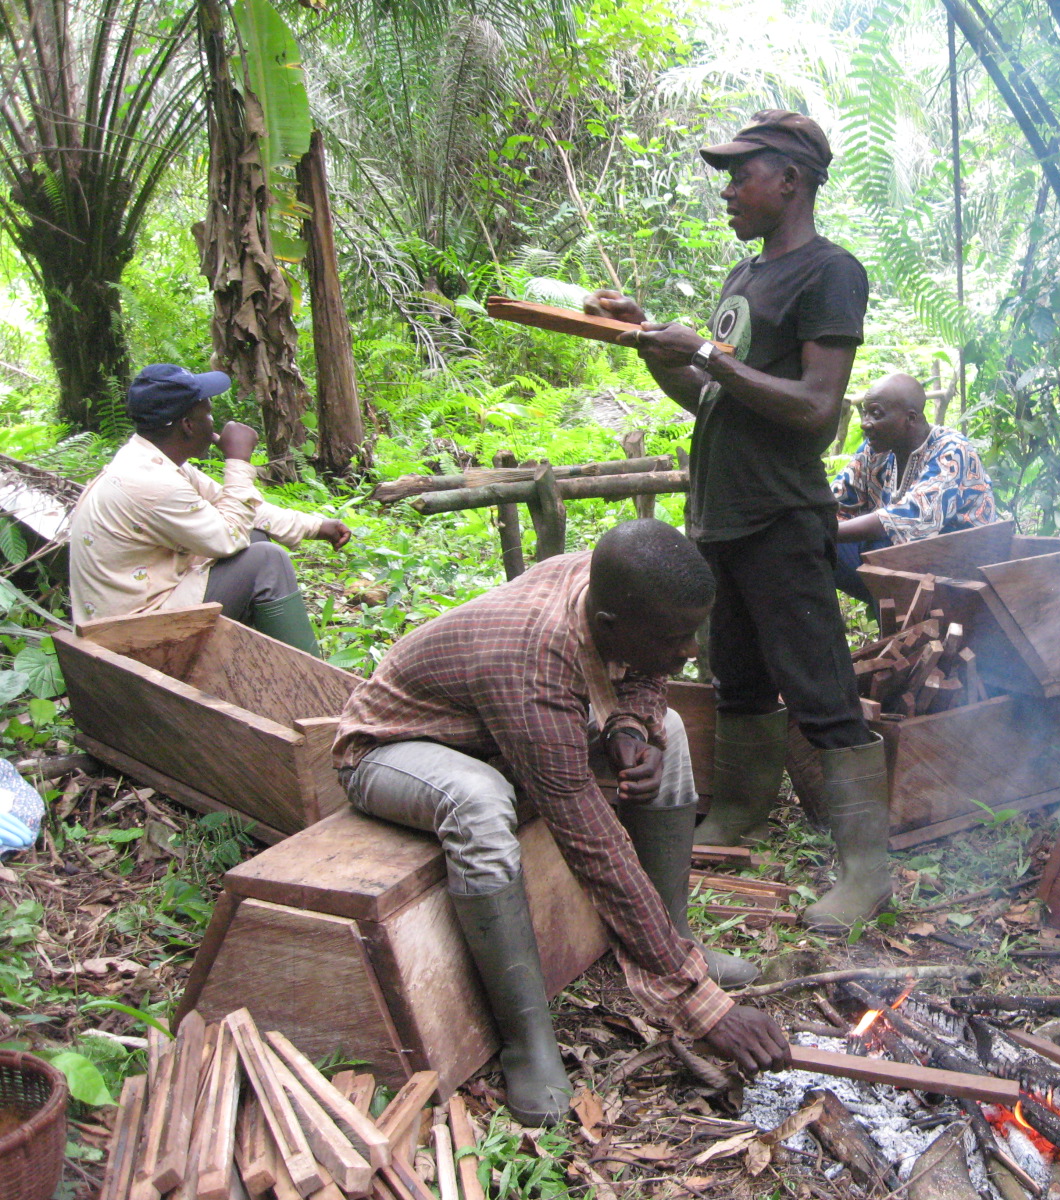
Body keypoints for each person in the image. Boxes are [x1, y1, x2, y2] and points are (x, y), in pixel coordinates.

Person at [333, 520, 787, 1126]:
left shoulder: (613, 588)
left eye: (692, 632)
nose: (691, 651)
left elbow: (645, 667)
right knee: (479, 802)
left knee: (671, 732)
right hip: (392, 749)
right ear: (609, 627)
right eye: (679, 636)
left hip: (495, 733)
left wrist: (631, 729)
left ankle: (678, 937)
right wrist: (703, 1009)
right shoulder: (531, 669)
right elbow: (594, 846)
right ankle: (528, 1037)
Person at [585, 111, 889, 931]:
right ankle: (743, 810)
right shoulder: (742, 279)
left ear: (789, 180)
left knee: (821, 690)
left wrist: (710, 355)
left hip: (783, 517)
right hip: (721, 514)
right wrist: (655, 346)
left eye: (740, 174)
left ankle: (868, 869)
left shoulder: (830, 273)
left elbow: (817, 411)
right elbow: (715, 402)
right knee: (740, 679)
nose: (727, 190)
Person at [68, 363, 350, 656]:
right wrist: (238, 461)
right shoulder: (153, 483)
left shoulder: (152, 462)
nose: (214, 424)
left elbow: (242, 511)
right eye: (208, 414)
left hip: (135, 617)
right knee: (268, 560)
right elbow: (228, 535)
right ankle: (309, 674)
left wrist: (315, 527)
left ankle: (255, 660)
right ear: (188, 425)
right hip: (131, 639)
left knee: (255, 539)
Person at [831, 372, 999, 602]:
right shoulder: (875, 449)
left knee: (882, 546)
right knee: (815, 547)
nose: (865, 423)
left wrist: (825, 531)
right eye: (865, 413)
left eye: (876, 414)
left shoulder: (952, 450)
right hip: (904, 564)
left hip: (960, 571)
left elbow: (911, 518)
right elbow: (839, 500)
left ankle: (895, 618)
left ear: (910, 418)